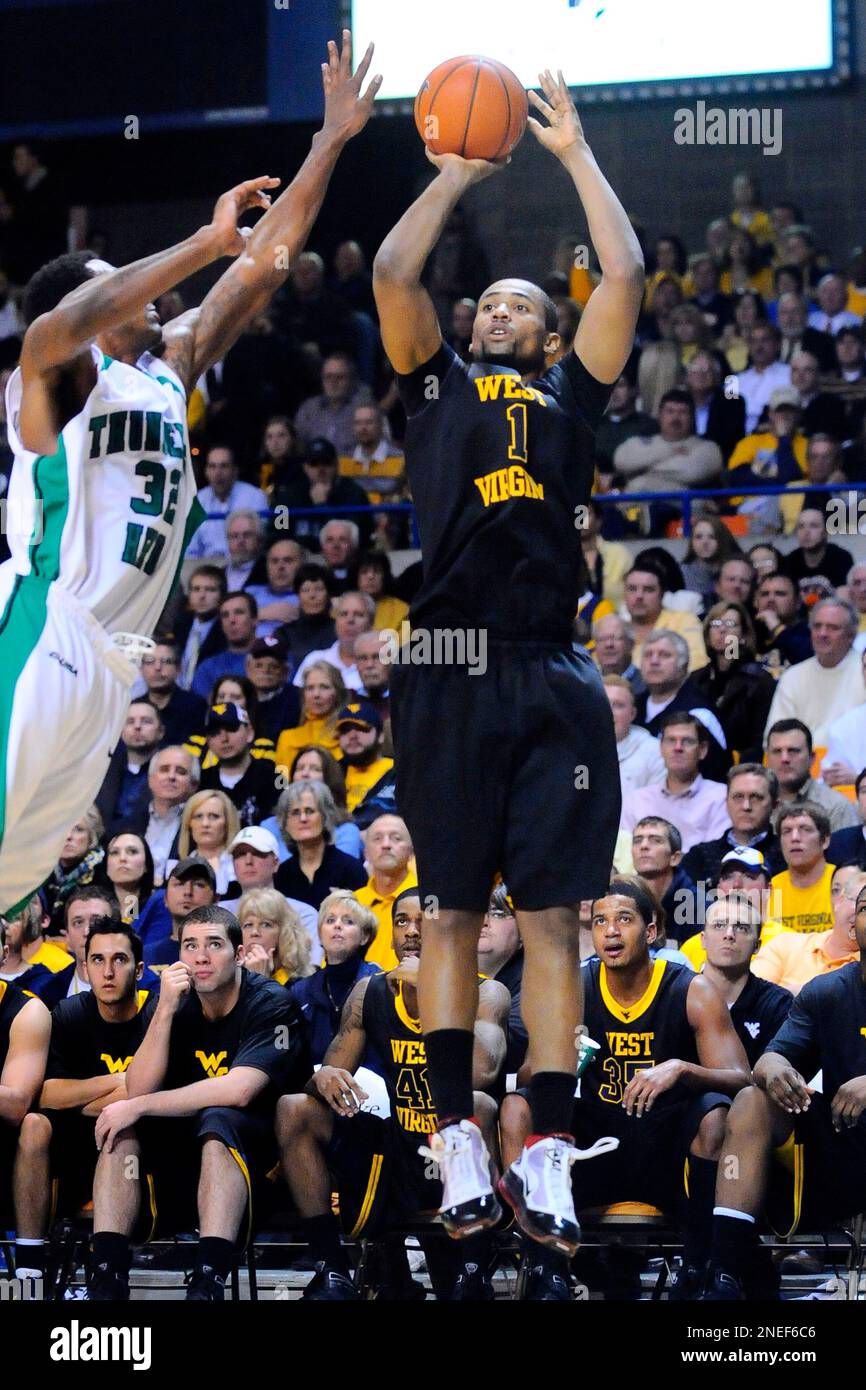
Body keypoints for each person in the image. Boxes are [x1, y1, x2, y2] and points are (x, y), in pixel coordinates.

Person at [0, 32, 380, 917]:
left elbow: (261, 267)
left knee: (11, 890)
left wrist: (330, 141)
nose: (153, 299)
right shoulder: (54, 375)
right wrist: (199, 243)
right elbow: (65, 319)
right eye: (125, 289)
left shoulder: (170, 371)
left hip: (115, 668)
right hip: (46, 634)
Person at [373, 68, 644, 1244]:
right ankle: (454, 1150)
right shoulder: (433, 390)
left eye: (520, 304)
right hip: (443, 659)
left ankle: (540, 1154)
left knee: (549, 922)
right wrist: (449, 178)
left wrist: (576, 156)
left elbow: (624, 276)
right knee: (441, 914)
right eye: (484, 300)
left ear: (546, 330)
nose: (495, 309)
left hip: (548, 663)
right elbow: (393, 275)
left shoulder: (572, 399)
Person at [499, 875, 750, 1300]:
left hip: (666, 1150)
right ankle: (545, 1265)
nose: (610, 931)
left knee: (717, 1112)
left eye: (624, 919)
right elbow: (526, 1075)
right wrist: (559, 1064)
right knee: (517, 1108)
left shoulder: (691, 989)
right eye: (600, 921)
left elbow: (742, 1079)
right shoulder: (574, 988)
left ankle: (698, 1266)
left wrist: (680, 1068)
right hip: (596, 1149)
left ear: (651, 931)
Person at [275, 889, 510, 1300]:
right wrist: (325, 1077)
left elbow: (481, 1071)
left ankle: (473, 1270)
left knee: (477, 1106)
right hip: (397, 1151)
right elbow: (331, 1069)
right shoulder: (371, 991)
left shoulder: (487, 992)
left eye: (426, 920)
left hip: (456, 1157)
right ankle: (332, 1269)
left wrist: (436, 996)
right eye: (402, 921)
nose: (413, 932)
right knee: (294, 1108)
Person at [85, 905, 310, 1300]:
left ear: (239, 955)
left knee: (218, 1120)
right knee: (122, 1128)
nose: (201, 957)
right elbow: (139, 1087)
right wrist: (165, 1012)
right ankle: (108, 1275)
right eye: (190, 946)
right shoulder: (168, 1002)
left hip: (262, 1164)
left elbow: (239, 1089)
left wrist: (139, 1105)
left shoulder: (273, 1003)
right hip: (184, 1161)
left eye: (214, 945)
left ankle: (208, 1279)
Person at [699, 878, 866, 1300]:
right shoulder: (826, 991)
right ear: (852, 930)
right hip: (843, 1143)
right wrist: (773, 1070)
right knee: (753, 1100)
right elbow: (773, 1058)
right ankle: (727, 1269)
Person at [15, 919, 156, 1276]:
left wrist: (88, 1098)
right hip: (74, 1144)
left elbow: (151, 1093)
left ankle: (109, 1268)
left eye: (119, 960)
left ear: (139, 969)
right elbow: (46, 1093)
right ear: (84, 967)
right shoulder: (69, 1013)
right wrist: (120, 1079)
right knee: (33, 1123)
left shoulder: (157, 1014)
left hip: (144, 1145)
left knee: (119, 1126)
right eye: (97, 960)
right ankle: (29, 1264)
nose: (108, 971)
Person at [0, 918, 52, 1280]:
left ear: (4, 953)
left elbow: (16, 1104)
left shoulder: (27, 1011)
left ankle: (29, 1264)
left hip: (6, 1141)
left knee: (35, 1123)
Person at [699, 895, 792, 1066]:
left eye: (741, 928)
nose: (729, 935)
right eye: (719, 925)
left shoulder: (778, 1004)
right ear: (703, 939)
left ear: (757, 945)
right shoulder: (676, 996)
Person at [290, 890, 379, 1064]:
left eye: (348, 921)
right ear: (320, 935)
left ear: (364, 936)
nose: (337, 925)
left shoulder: (379, 983)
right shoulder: (301, 991)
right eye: (330, 920)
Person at [620, 712, 729, 854]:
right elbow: (624, 856)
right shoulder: (636, 801)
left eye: (687, 741)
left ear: (702, 750)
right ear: (661, 748)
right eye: (671, 740)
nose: (678, 748)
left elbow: (715, 856)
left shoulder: (721, 798)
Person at [752, 862, 866, 994]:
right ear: (839, 901)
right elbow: (754, 997)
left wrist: (792, 992)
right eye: (862, 906)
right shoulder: (785, 945)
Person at [764, 599, 866, 746]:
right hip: (800, 763)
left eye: (833, 627)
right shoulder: (793, 676)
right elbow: (774, 735)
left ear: (851, 635)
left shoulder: (863, 670)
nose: (822, 633)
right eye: (817, 626)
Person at [691, 601, 776, 762]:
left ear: (743, 636)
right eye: (716, 624)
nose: (722, 630)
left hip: (743, 765)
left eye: (731, 624)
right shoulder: (696, 679)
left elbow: (760, 739)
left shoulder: (759, 680)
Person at [681, 765, 783, 887]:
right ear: (726, 803)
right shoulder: (699, 856)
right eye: (738, 797)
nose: (746, 806)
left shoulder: (786, 855)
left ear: (774, 805)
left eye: (756, 797)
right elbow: (687, 904)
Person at [273, 780, 366, 911]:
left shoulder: (351, 869)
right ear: (285, 823)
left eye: (310, 811)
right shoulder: (281, 876)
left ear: (325, 816)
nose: (303, 818)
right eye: (295, 812)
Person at [765, 717, 860, 833]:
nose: (784, 758)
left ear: (812, 758)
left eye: (793, 751)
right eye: (777, 751)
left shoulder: (836, 807)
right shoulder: (753, 802)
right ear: (767, 759)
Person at [266, 749, 362, 863]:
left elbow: (338, 873)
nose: (305, 774)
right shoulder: (269, 826)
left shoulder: (347, 831)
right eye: (299, 768)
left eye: (315, 769)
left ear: (330, 779)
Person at [198, 701, 279, 826]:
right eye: (215, 733)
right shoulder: (202, 782)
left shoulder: (274, 775)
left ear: (250, 732)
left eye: (232, 728)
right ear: (208, 741)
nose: (224, 739)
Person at [354, 813, 418, 971]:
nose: (386, 845)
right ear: (366, 853)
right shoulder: (352, 902)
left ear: (411, 852)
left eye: (396, 838)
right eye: (377, 838)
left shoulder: (428, 900)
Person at [186, 443, 268, 560]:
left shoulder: (255, 496)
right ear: (206, 472)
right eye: (212, 466)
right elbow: (191, 549)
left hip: (245, 563)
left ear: (235, 470)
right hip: (207, 567)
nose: (218, 473)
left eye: (223, 466)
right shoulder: (198, 500)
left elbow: (260, 541)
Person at [98, 698, 165, 835]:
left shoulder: (168, 772)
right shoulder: (103, 769)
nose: (137, 727)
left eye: (146, 721)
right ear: (121, 731)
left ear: (161, 731)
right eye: (130, 722)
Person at [622, 567, 705, 672]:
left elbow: (697, 664)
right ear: (624, 594)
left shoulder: (684, 621)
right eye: (632, 589)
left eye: (648, 589)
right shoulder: (616, 629)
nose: (639, 596)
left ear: (662, 594)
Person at [141, 856, 217, 970]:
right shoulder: (145, 956)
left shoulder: (224, 955)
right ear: (165, 898)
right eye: (180, 884)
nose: (188, 892)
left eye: (199, 885)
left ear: (215, 899)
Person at [770, 802, 835, 935]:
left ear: (825, 840)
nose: (794, 838)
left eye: (805, 829)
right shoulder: (771, 889)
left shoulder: (841, 881)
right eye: (787, 831)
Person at [292, 590, 372, 693]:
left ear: (371, 624)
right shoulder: (314, 660)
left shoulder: (380, 665)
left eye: (358, 614)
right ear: (335, 622)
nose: (350, 620)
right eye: (343, 614)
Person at [631, 816, 697, 938]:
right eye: (637, 840)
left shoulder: (697, 905)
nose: (643, 846)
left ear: (675, 858)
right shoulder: (624, 899)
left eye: (656, 840)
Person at [236, 886, 314, 987]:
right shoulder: (228, 983)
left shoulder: (302, 987)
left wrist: (259, 981)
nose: (254, 932)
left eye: (265, 924)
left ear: (284, 932)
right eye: (248, 925)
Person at [135, 641, 207, 748]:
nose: (158, 668)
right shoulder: (134, 707)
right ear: (141, 669)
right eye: (150, 661)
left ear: (178, 669)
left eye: (166, 661)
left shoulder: (195, 706)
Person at [275, 659, 347, 765]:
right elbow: (280, 781)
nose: (316, 694)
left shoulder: (348, 737)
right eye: (310, 688)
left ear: (338, 693)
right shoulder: (287, 739)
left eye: (324, 687)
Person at [603, 674, 665, 797]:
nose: (609, 712)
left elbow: (657, 806)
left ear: (632, 714)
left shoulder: (656, 752)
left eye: (618, 705)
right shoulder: (578, 751)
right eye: (604, 703)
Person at [190, 591, 259, 699]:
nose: (231, 620)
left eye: (239, 612)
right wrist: (227, 710)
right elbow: (204, 710)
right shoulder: (208, 668)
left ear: (255, 620)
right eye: (225, 615)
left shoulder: (274, 660)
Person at [172, 789, 239, 896]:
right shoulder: (177, 869)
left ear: (227, 823)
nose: (205, 824)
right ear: (189, 823)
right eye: (198, 816)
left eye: (214, 816)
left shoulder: (239, 866)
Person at [334, 699, 395, 816]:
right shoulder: (330, 773)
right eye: (345, 730)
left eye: (362, 729)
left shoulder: (397, 772)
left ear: (381, 736)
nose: (352, 735)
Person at [173, 566, 228, 691]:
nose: (202, 596)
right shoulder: (180, 623)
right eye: (196, 589)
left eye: (210, 590)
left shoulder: (225, 630)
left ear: (222, 595)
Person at [277, 563, 337, 669]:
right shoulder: (284, 633)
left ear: (329, 594)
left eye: (319, 589)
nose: (312, 595)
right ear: (298, 595)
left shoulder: (339, 630)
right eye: (305, 590)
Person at [245, 539, 303, 638]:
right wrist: (262, 613)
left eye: (288, 561)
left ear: (301, 564)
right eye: (274, 561)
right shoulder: (250, 592)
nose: (280, 567)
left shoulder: (306, 597)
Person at [680, 516, 743, 602]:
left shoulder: (739, 570)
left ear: (722, 540)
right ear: (692, 542)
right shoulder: (681, 574)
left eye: (712, 536)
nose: (705, 542)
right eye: (698, 537)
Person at [104, 830, 155, 925]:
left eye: (132, 851)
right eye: (114, 852)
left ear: (146, 865)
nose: (122, 858)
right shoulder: (93, 906)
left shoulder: (158, 904)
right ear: (106, 866)